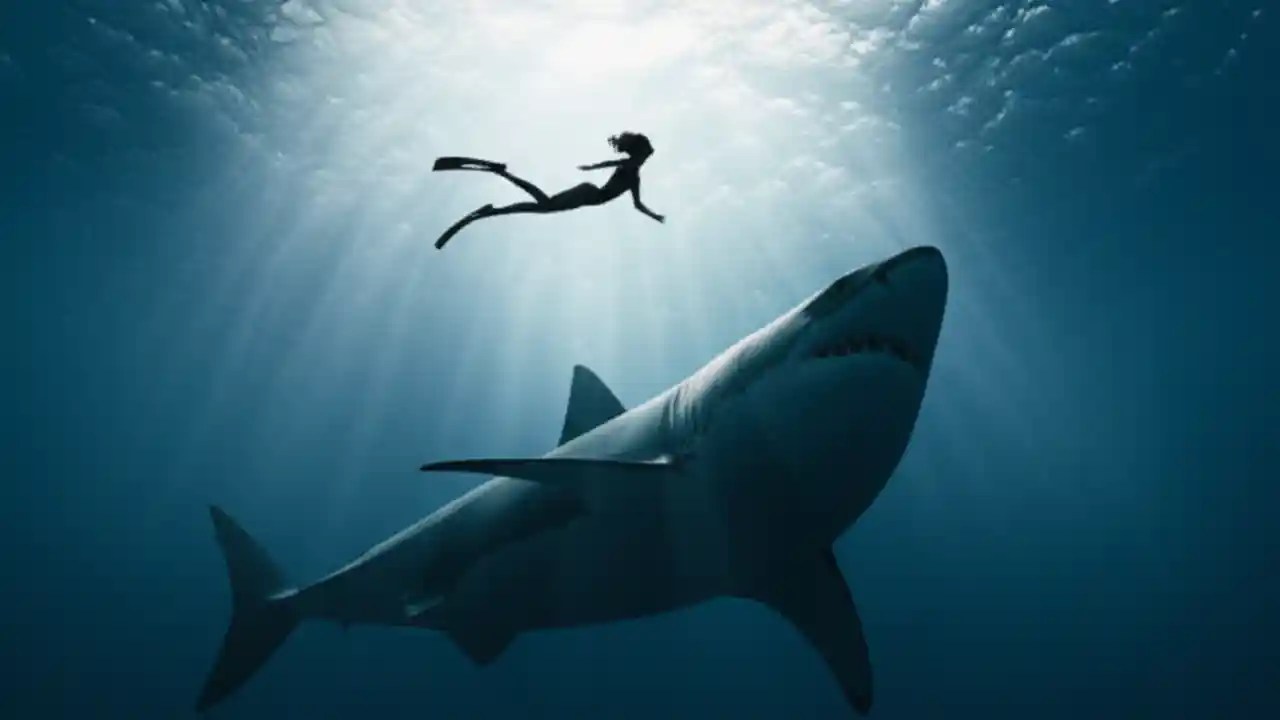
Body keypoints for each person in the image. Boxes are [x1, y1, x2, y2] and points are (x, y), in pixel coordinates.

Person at [431, 132, 665, 250]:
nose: (647, 156)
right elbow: (613, 164)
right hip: (591, 195)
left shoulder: (635, 175)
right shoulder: (632, 168)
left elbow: (637, 204)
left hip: (590, 194)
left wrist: (655, 216)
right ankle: (499, 182)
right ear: (639, 152)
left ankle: (496, 194)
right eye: (646, 153)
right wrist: (592, 166)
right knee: (546, 205)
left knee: (543, 204)